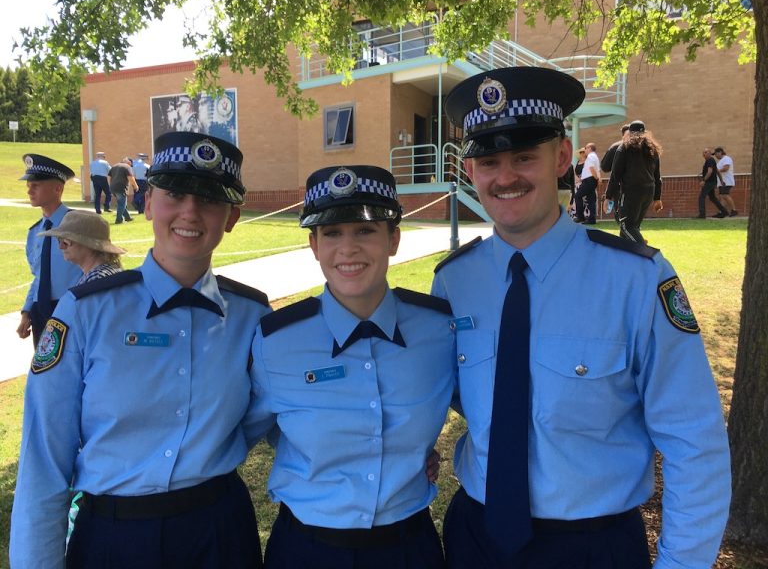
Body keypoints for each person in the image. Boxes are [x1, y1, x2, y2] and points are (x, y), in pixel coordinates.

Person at [434, 66, 731, 569]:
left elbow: (695, 442)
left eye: (524, 156)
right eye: (488, 161)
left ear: (563, 157)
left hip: (593, 547)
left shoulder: (636, 280)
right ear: (470, 172)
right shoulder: (453, 282)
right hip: (476, 538)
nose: (505, 177)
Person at [10, 131, 271, 569]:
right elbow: (44, 456)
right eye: (175, 194)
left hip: (220, 533)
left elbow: (267, 413)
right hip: (115, 536)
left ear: (231, 216)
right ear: (147, 203)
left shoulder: (252, 315)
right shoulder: (86, 311)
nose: (190, 211)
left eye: (209, 198)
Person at [247, 165, 456, 569]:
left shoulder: (439, 331)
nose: (348, 248)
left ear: (393, 238)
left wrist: (423, 451)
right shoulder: (276, 343)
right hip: (308, 551)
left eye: (365, 231)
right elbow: (243, 430)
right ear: (313, 244)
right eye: (332, 233)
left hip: (409, 548)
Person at [16, 154, 83, 347]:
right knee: (45, 371)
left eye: (35, 185)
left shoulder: (78, 225)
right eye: (28, 186)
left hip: (72, 308)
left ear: (57, 188)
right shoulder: (35, 231)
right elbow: (39, 276)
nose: (29, 191)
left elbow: (95, 269)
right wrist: (27, 311)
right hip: (41, 312)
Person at [604, 120, 664, 244]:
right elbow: (657, 176)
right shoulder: (652, 149)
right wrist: (657, 198)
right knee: (633, 226)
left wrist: (608, 196)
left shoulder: (624, 148)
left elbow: (615, 175)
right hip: (649, 191)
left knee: (626, 227)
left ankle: (643, 250)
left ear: (630, 132)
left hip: (631, 191)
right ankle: (626, 259)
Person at [37, 210, 126, 285]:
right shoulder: (109, 271)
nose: (61, 246)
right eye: (59, 240)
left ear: (89, 244)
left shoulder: (95, 281)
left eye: (66, 242)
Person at [697, 147, 728, 218]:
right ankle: (724, 212)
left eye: (706, 152)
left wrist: (703, 180)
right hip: (713, 182)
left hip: (709, 182)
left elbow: (710, 171)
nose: (704, 154)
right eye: (704, 152)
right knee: (712, 198)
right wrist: (721, 181)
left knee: (701, 197)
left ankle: (702, 214)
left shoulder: (710, 160)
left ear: (710, 154)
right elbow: (717, 171)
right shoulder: (711, 161)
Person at [574, 142, 599, 224]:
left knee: (577, 196)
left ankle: (580, 217)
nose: (585, 150)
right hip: (590, 180)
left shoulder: (591, 156)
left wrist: (596, 178)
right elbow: (596, 169)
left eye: (586, 148)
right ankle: (592, 219)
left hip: (589, 180)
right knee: (591, 200)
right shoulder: (594, 156)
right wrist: (597, 178)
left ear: (590, 149)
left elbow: (592, 168)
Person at [108, 156, 138, 224]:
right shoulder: (127, 167)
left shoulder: (114, 166)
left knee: (122, 203)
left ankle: (128, 217)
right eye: (131, 165)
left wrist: (111, 186)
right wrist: (135, 186)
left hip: (113, 187)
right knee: (121, 204)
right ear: (129, 162)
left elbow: (109, 177)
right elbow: (131, 178)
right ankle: (119, 220)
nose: (131, 166)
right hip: (121, 187)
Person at [714, 146, 738, 216]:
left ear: (720, 152)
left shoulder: (727, 159)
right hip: (721, 182)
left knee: (725, 195)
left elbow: (726, 168)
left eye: (716, 154)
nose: (715, 156)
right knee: (722, 196)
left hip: (727, 181)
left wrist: (716, 171)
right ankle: (722, 212)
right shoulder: (720, 161)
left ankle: (734, 210)